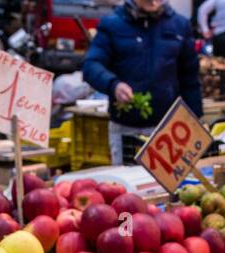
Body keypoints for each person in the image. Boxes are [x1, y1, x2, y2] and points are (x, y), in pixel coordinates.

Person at [82, 1, 204, 163]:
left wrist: (196, 120)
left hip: (168, 130)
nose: (153, 2)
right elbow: (91, 65)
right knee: (125, 184)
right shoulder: (112, 24)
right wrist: (114, 85)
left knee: (165, 187)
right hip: (125, 128)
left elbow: (189, 78)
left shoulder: (179, 25)